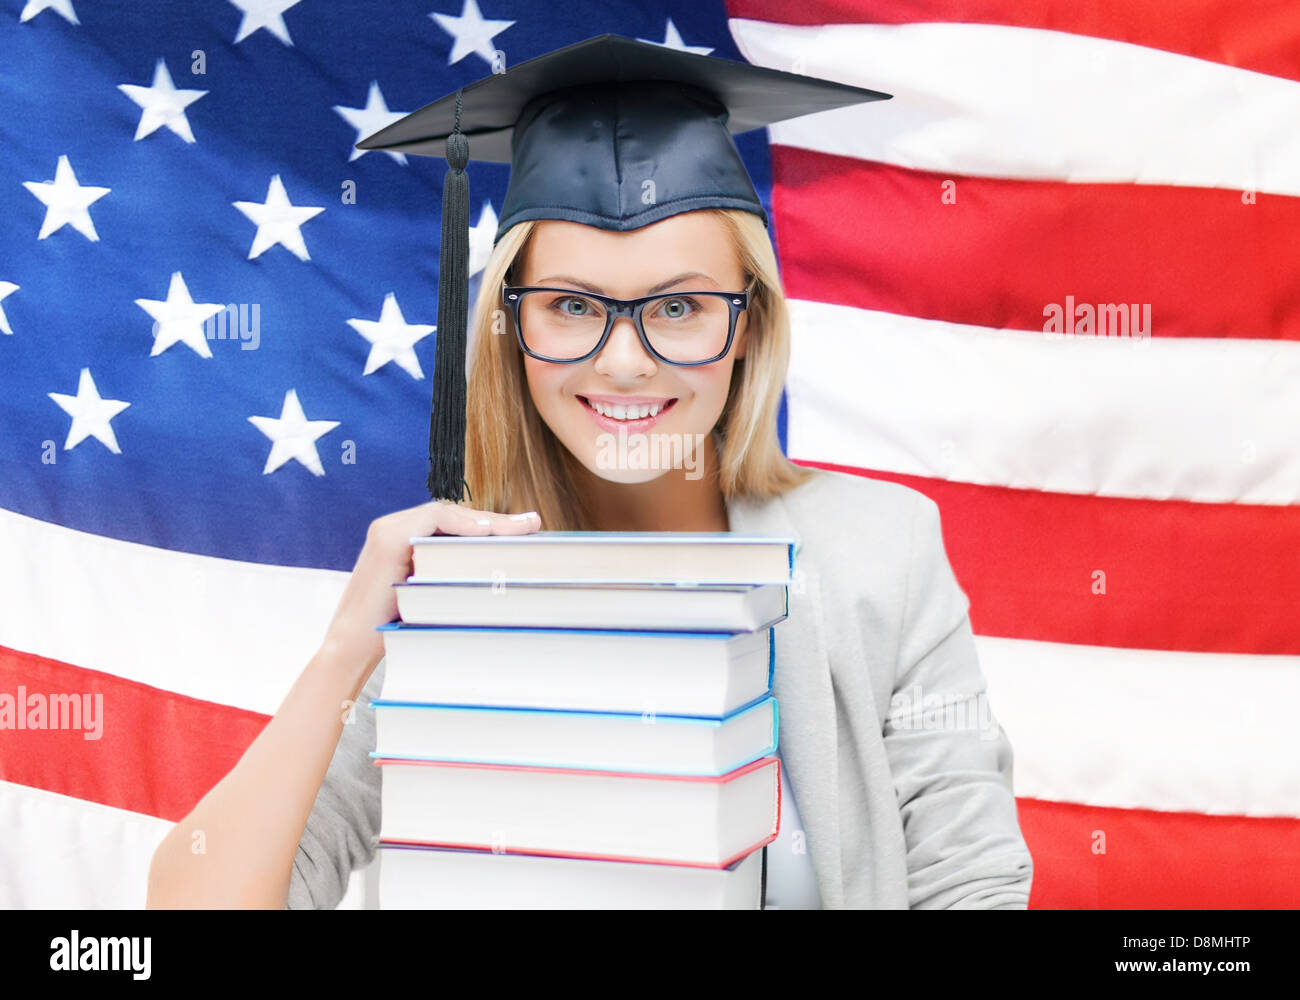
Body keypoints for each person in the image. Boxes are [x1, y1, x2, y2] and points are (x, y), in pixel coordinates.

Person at [146, 34, 1032, 909]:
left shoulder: (881, 552)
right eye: (571, 306)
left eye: (679, 307)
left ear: (751, 328)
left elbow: (971, 888)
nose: (623, 363)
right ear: (508, 328)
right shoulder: (452, 595)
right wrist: (347, 651)